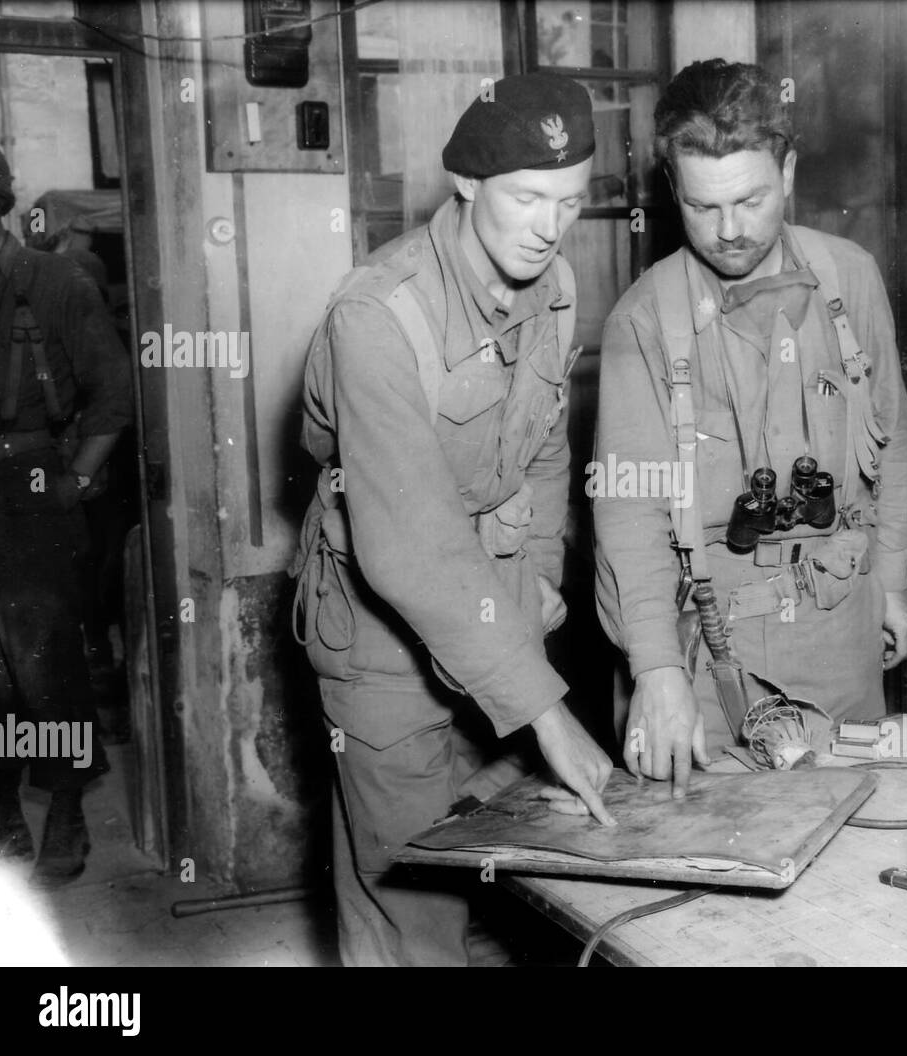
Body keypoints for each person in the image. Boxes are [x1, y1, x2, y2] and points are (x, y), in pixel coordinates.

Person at [291, 72, 615, 968]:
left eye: (572, 202)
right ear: (467, 183)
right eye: (527, 197)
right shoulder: (379, 315)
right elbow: (412, 545)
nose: (550, 227)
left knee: (506, 864)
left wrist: (540, 573)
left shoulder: (552, 287)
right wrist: (546, 710)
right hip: (379, 625)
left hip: (496, 603)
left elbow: (543, 444)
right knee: (413, 906)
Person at [593, 60, 907, 794]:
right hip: (707, 658)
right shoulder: (643, 322)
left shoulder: (849, 278)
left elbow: (891, 443)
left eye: (750, 199)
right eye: (703, 208)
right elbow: (627, 516)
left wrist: (893, 580)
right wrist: (654, 672)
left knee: (849, 859)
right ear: (673, 189)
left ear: (790, 170)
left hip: (843, 640)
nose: (730, 231)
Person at [0, 141, 131, 885]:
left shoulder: (54, 281)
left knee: (47, 666)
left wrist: (76, 479)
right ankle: (3, 808)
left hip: (32, 485)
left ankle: (68, 811)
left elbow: (113, 394)